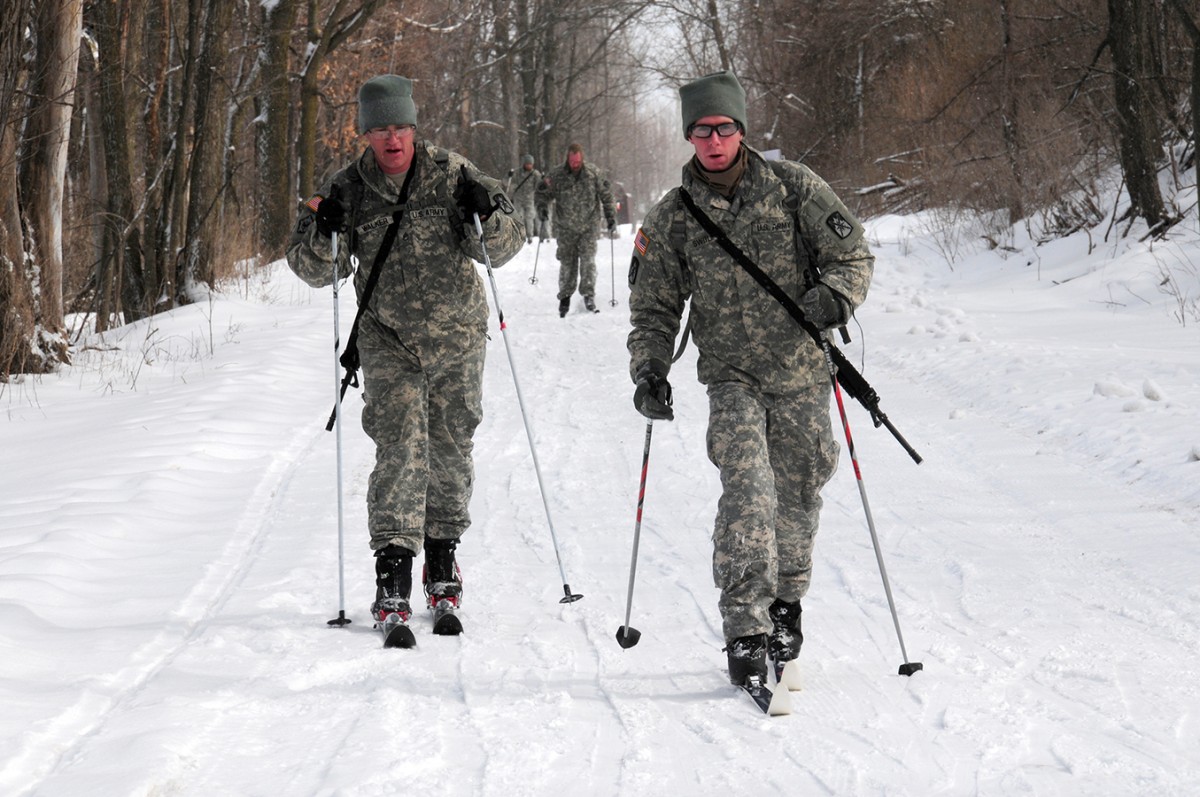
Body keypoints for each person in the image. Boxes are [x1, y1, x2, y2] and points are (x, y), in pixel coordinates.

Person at [626, 71, 874, 687]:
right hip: (731, 377)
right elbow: (654, 305)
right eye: (702, 130)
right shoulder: (674, 217)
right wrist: (650, 368)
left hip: (800, 373)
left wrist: (831, 300)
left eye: (725, 128)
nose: (714, 139)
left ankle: (786, 601)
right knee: (748, 491)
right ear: (689, 136)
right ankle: (745, 627)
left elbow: (853, 255)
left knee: (799, 489)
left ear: (741, 130)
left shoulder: (794, 189)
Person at [286, 74, 524, 638]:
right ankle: (392, 572)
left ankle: (442, 558)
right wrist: (325, 231)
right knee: (399, 449)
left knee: (450, 447)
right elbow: (312, 270)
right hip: (387, 340)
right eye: (379, 129)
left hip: (458, 338)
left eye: (400, 127)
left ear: (414, 127)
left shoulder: (453, 173)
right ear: (364, 133)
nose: (392, 139)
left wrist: (487, 213)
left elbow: (504, 247)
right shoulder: (346, 189)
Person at [535, 143, 617, 317]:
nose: (575, 164)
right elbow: (542, 193)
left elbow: (607, 196)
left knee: (588, 261)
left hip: (589, 226)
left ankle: (588, 295)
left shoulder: (593, 173)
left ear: (582, 158)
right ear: (568, 158)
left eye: (578, 161)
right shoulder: (557, 175)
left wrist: (611, 218)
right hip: (565, 228)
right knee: (567, 263)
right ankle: (565, 298)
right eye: (572, 161)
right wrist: (542, 208)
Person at [506, 154, 543, 244]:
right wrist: (509, 175)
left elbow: (539, 186)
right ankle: (520, 235)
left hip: (530, 199)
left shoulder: (535, 174)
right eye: (527, 164)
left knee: (529, 217)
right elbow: (508, 181)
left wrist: (543, 181)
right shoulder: (518, 172)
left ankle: (530, 235)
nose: (529, 165)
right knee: (519, 217)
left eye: (530, 164)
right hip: (518, 198)